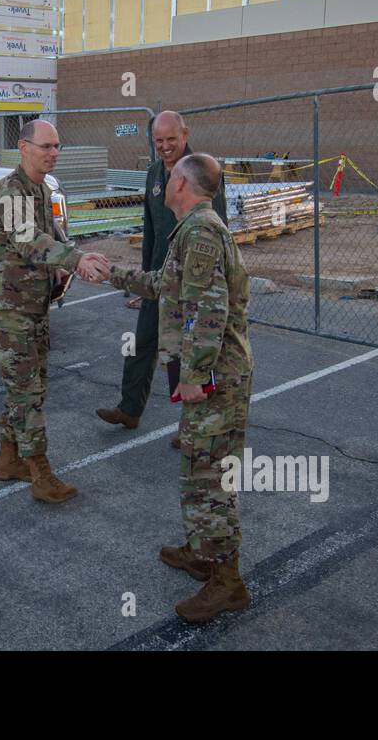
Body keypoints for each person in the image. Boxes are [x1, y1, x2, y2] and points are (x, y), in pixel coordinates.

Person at [107, 153, 253, 623]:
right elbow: (165, 285)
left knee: (210, 477)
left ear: (183, 186)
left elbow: (209, 311)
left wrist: (194, 375)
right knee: (197, 466)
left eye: (171, 177)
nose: (165, 181)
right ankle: (201, 553)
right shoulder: (190, 229)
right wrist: (108, 271)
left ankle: (227, 581)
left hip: (216, 375)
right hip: (209, 371)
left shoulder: (202, 231)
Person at [0, 119, 110, 503]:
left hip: (32, 305)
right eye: (46, 147)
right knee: (27, 392)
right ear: (23, 147)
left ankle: (8, 460)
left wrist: (68, 257)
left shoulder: (38, 188)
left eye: (57, 147)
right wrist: (75, 259)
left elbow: (51, 233)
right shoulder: (8, 193)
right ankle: (41, 473)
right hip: (10, 311)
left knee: (29, 388)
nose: (54, 153)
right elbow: (29, 241)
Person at [97, 110, 199, 447]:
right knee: (141, 344)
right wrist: (141, 282)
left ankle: (193, 426)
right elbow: (151, 229)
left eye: (171, 139)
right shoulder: (154, 173)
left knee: (184, 355)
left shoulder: (201, 171)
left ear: (184, 134)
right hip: (156, 280)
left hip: (188, 282)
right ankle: (129, 409)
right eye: (159, 141)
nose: (166, 146)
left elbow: (216, 224)